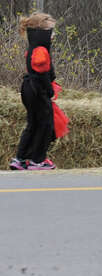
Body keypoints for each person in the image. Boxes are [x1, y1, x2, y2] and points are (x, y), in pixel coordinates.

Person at [10, 13, 59, 171]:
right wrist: (49, 90)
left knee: (33, 123)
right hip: (37, 89)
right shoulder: (41, 51)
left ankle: (21, 158)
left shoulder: (34, 47)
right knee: (45, 124)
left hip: (28, 88)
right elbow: (42, 74)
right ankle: (37, 160)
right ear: (42, 32)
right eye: (51, 31)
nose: (53, 35)